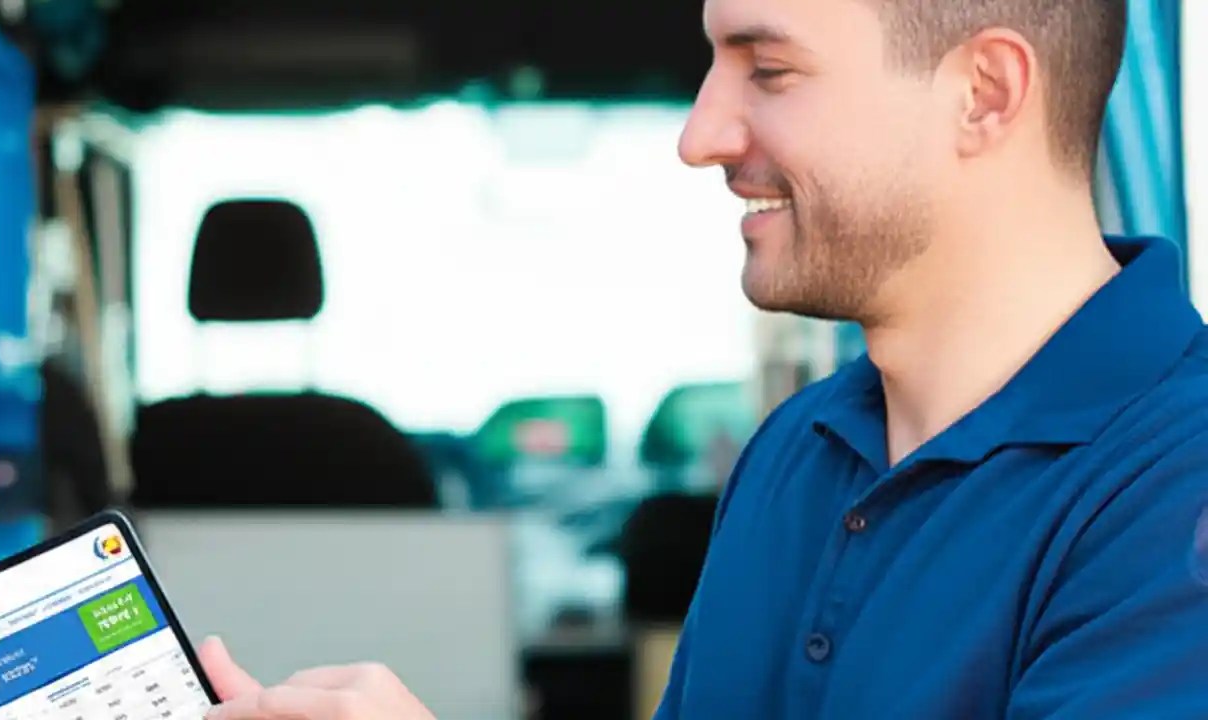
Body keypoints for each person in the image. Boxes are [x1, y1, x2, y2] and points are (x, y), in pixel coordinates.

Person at [201, 0, 1208, 717]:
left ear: (982, 92)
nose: (697, 135)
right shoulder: (794, 452)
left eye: (767, 70)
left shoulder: (1176, 489)